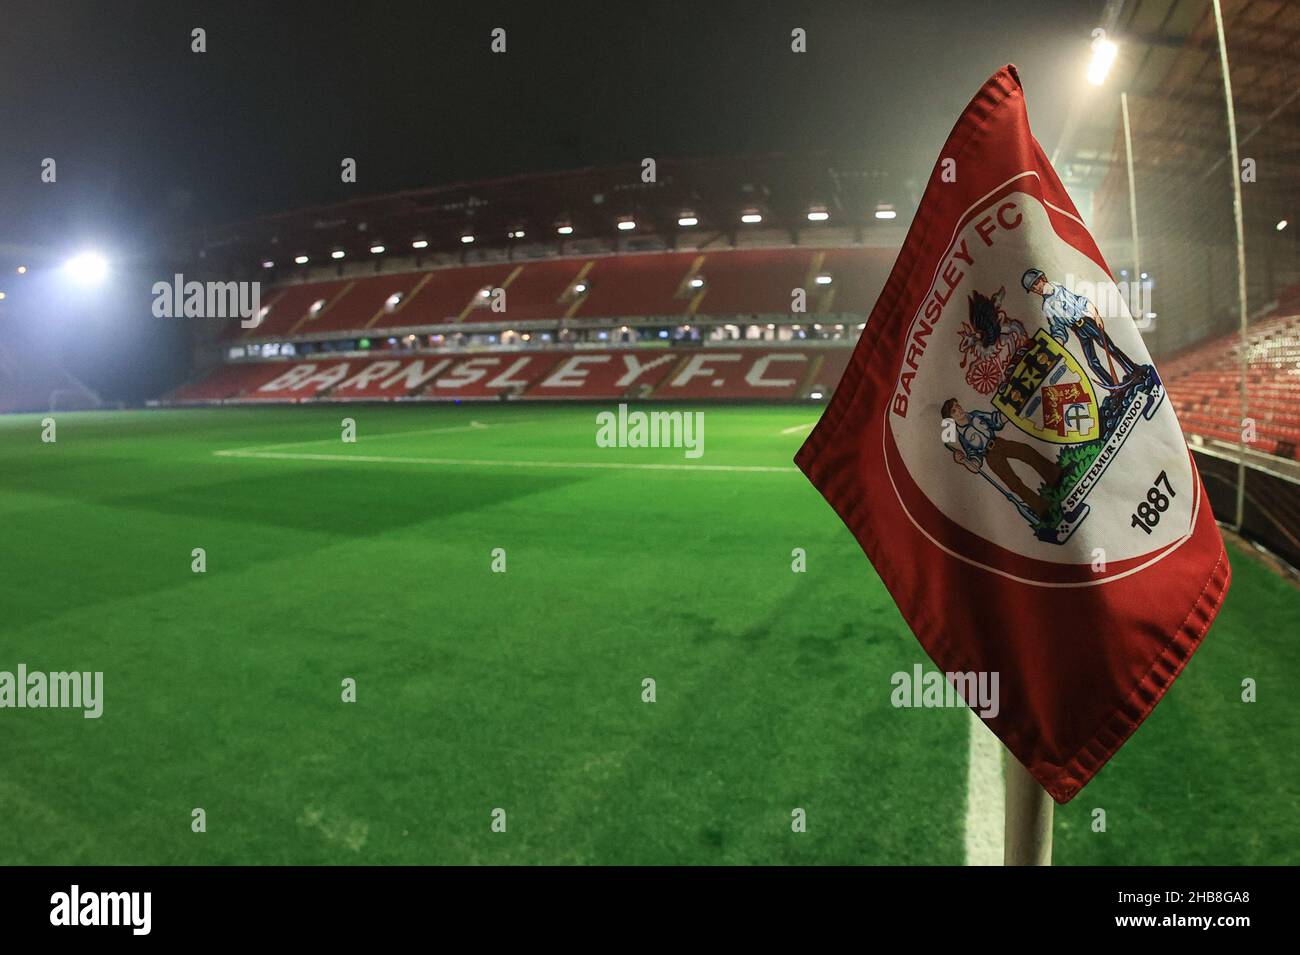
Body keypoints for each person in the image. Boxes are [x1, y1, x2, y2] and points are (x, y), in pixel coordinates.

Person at [1021, 268, 1147, 389]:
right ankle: (1114, 387)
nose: (1037, 288)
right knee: (1091, 362)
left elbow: (1080, 300)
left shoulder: (1059, 288)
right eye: (1033, 288)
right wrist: (1058, 344)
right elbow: (1057, 328)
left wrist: (1096, 315)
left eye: (1037, 283)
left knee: (1110, 348)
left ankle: (1133, 371)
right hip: (1078, 331)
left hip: (1087, 323)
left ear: (1043, 278)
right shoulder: (1047, 307)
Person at [941, 397, 1063, 520]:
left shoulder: (975, 415)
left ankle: (1055, 476)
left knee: (1026, 451)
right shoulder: (963, 437)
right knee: (1013, 482)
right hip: (990, 457)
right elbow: (975, 463)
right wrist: (963, 460)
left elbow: (995, 420)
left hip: (999, 443)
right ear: (950, 419)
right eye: (953, 410)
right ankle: (1042, 509)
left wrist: (1012, 409)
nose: (959, 409)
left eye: (958, 405)